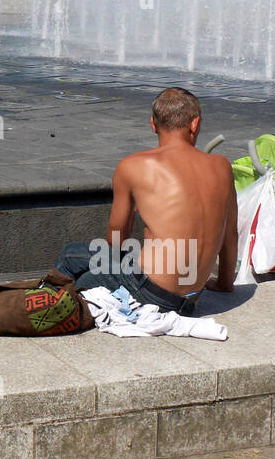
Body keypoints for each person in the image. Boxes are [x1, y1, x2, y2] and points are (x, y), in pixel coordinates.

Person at [54, 88, 237, 313]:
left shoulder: (133, 166)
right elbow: (230, 234)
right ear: (195, 124)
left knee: (73, 256)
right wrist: (224, 284)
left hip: (151, 293)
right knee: (96, 265)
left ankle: (47, 305)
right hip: (191, 299)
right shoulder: (222, 166)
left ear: (153, 124)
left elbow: (117, 238)